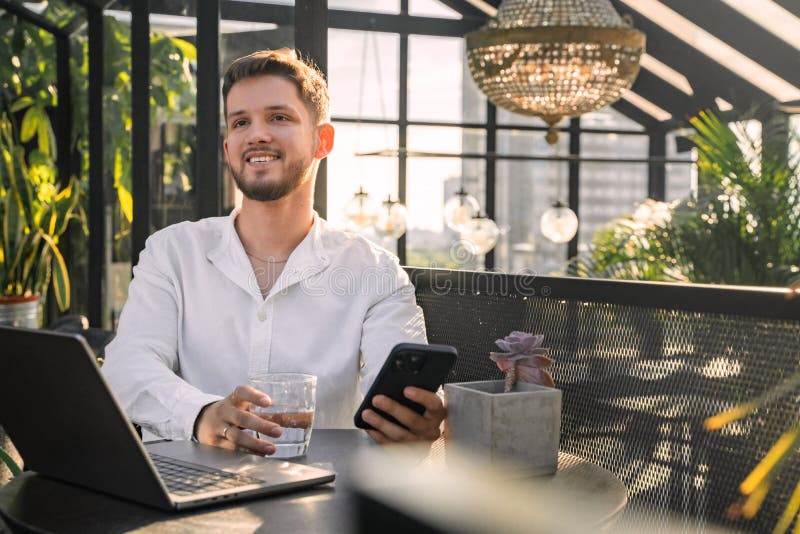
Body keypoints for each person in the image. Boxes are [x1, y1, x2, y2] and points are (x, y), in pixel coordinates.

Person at [102, 49, 444, 456]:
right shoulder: (171, 253)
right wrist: (203, 415)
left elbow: (399, 396)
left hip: (321, 502)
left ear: (323, 140)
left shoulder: (376, 273)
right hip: (188, 500)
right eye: (241, 122)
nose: (257, 134)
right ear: (229, 147)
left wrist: (414, 422)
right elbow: (127, 369)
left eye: (278, 118)